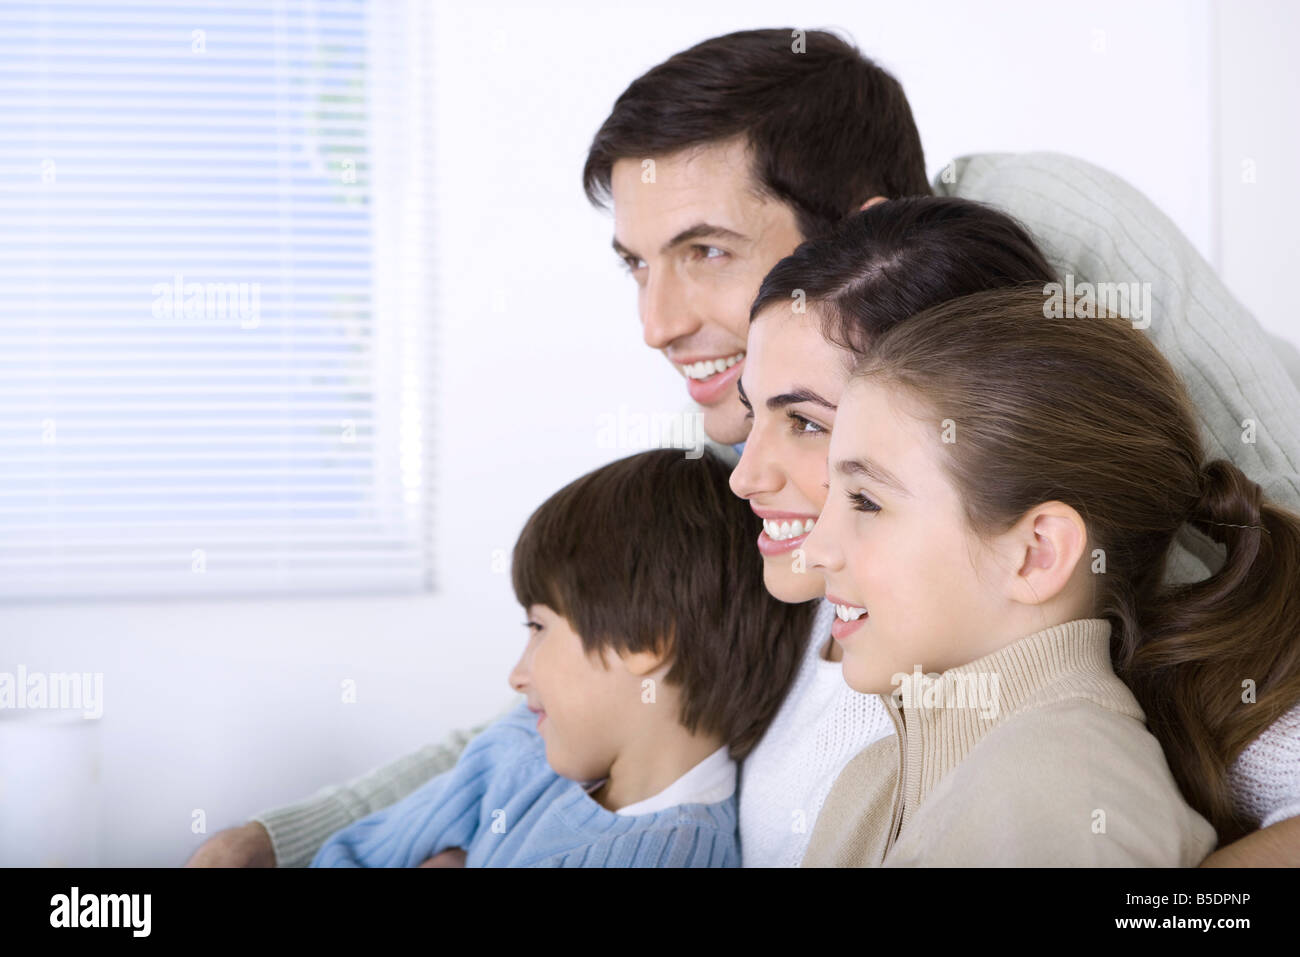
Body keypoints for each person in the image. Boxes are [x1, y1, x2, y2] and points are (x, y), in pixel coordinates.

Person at [187, 29, 1300, 868]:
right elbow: (597, 669)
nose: (657, 323)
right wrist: (297, 838)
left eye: (706, 251)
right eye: (633, 263)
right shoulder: (740, 477)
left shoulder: (1054, 574)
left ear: (859, 232)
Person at [796, 281, 1299, 865]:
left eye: (866, 502)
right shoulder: (868, 784)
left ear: (1039, 552)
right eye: (831, 494)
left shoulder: (1071, 797)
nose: (815, 549)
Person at [308, 448, 811, 867]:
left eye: (538, 627)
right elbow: (350, 854)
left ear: (645, 641)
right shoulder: (521, 748)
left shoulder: (670, 855)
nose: (517, 676)